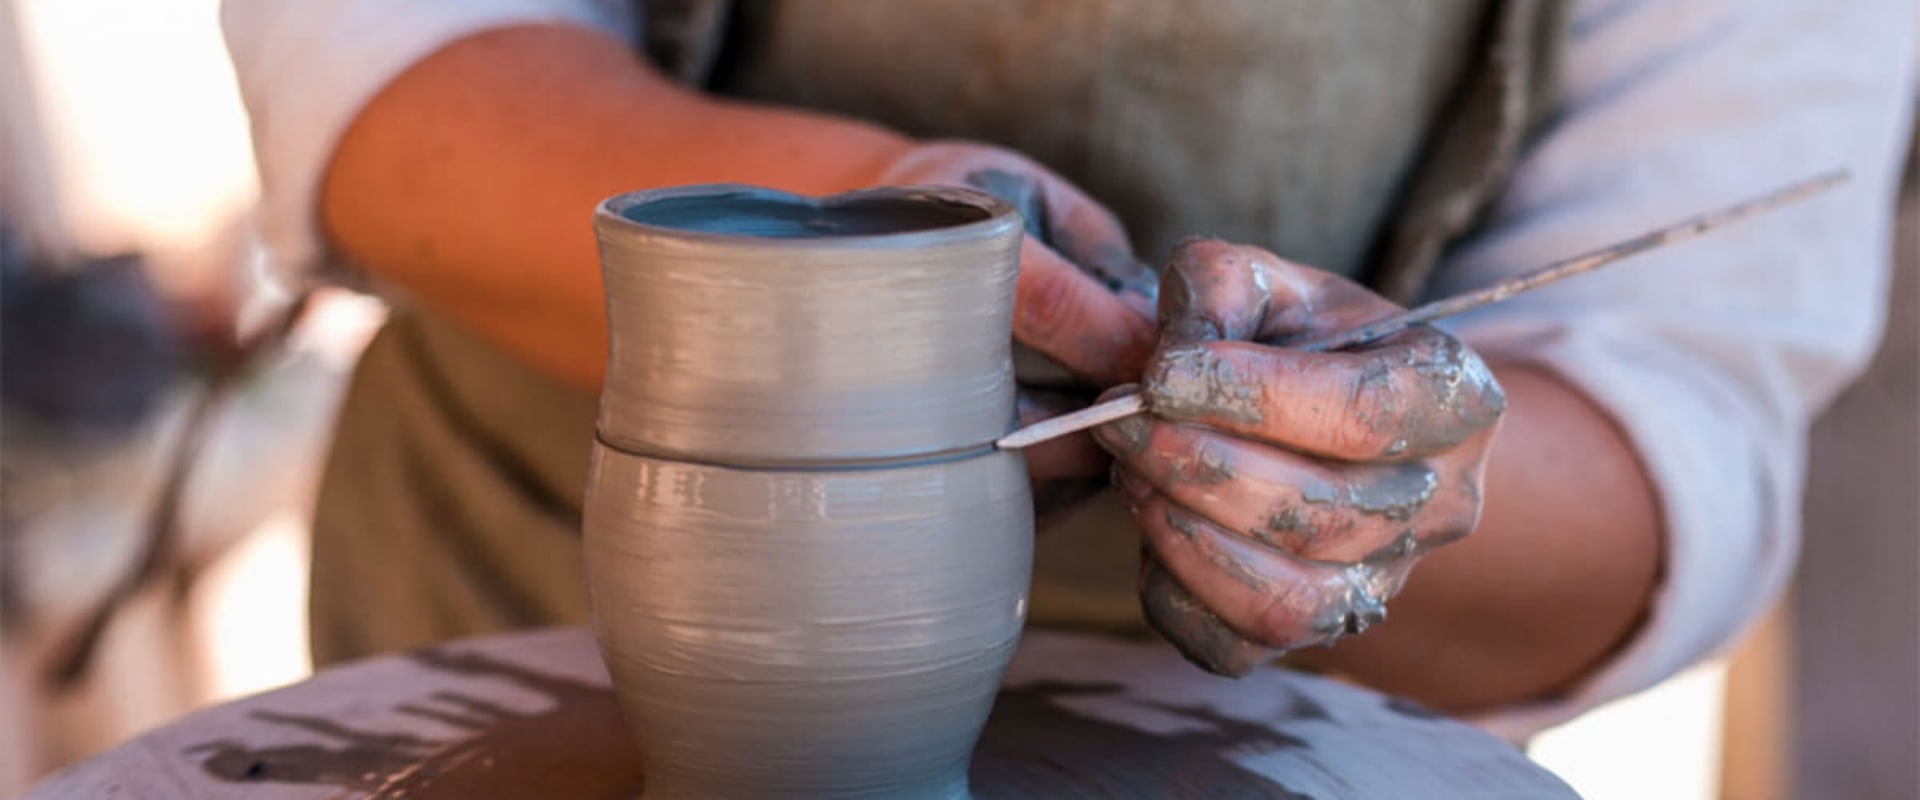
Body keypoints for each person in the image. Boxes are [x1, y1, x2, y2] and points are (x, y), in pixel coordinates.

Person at [221, 0, 1912, 737]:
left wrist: (1369, 478)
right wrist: (876, 261)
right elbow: (375, 54)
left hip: (1246, 733)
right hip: (523, 621)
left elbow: (1683, 403)